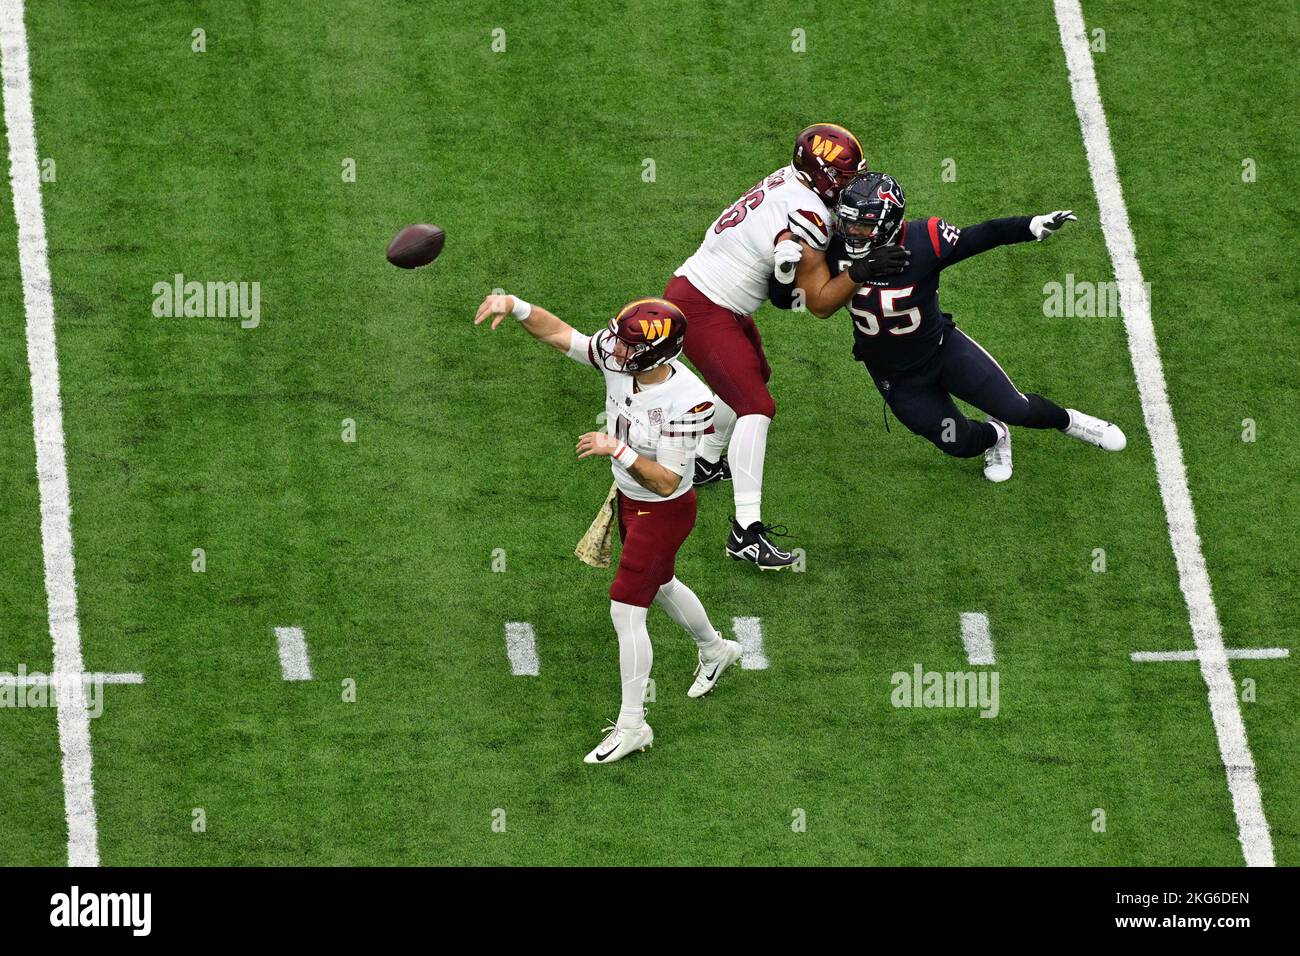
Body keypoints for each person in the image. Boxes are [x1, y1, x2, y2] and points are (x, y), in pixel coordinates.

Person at [473, 293, 743, 764]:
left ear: (657, 354)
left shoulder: (690, 401)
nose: (614, 351)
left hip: (662, 512)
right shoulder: (626, 360)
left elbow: (667, 483)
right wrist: (515, 306)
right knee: (660, 585)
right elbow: (563, 336)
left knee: (625, 609)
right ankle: (715, 649)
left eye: (627, 346)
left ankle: (633, 724)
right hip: (628, 501)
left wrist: (615, 449)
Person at [809, 172, 1125, 481]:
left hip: (941, 350)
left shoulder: (924, 239)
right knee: (957, 443)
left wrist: (1030, 225)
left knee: (1016, 408)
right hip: (895, 375)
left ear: (888, 223)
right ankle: (997, 435)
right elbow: (802, 297)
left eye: (860, 225)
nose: (849, 230)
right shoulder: (831, 248)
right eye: (846, 220)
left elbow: (980, 236)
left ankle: (1071, 421)